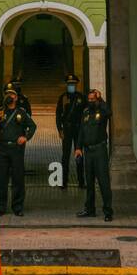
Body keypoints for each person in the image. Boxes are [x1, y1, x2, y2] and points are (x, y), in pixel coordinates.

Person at [0, 87, 36, 217]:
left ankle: (17, 207)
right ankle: (0, 207)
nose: (9, 96)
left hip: (16, 149)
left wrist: (26, 137)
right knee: (1, 180)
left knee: (18, 179)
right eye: (7, 94)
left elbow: (32, 126)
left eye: (11, 94)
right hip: (3, 149)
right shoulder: (0, 112)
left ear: (16, 97)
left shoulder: (21, 112)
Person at [75, 89, 113, 222]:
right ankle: (90, 209)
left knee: (103, 182)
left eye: (93, 99)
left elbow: (109, 112)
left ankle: (108, 211)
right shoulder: (85, 113)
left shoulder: (102, 111)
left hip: (100, 150)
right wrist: (78, 148)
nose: (90, 101)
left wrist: (101, 99)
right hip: (88, 151)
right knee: (89, 182)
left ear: (97, 100)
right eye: (89, 99)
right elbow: (81, 131)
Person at [55, 74, 85, 189]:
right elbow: (58, 115)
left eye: (73, 84)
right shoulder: (62, 97)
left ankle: (81, 181)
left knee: (79, 154)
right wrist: (60, 129)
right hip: (67, 129)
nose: (71, 86)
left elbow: (84, 113)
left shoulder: (81, 98)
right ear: (67, 85)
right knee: (65, 156)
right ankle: (64, 181)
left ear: (76, 85)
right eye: (69, 84)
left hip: (78, 129)